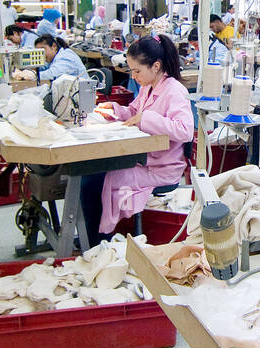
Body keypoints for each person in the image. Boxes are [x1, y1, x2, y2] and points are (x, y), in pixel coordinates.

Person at [80, 35, 194, 244]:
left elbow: (185, 130)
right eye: (131, 71)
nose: (133, 76)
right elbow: (134, 112)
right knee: (90, 178)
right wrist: (113, 110)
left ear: (156, 66)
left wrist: (146, 118)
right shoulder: (147, 87)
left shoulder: (175, 91)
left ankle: (98, 240)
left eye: (137, 71)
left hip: (162, 169)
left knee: (98, 181)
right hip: (144, 160)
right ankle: (94, 237)